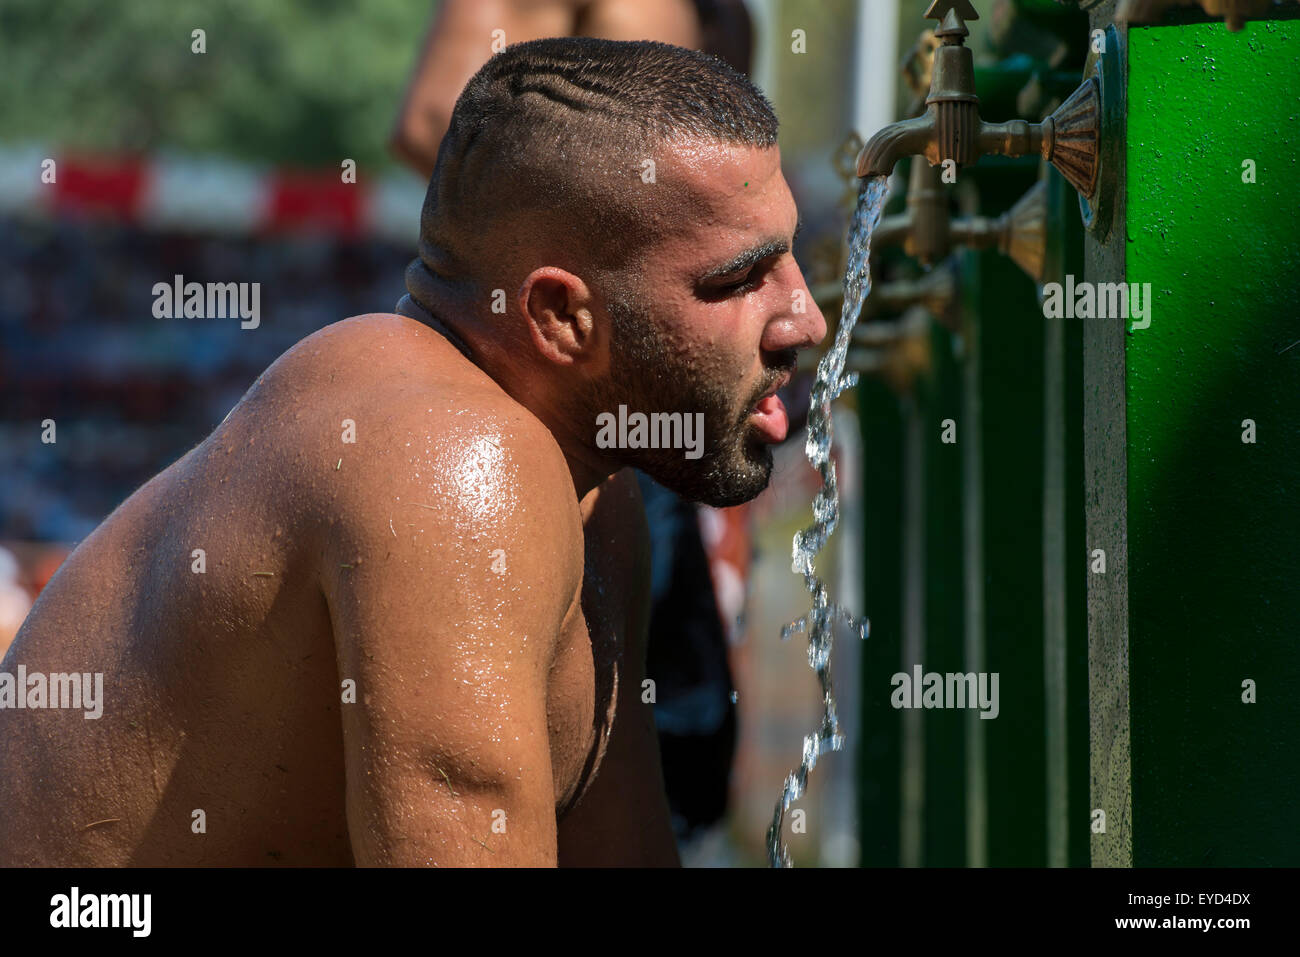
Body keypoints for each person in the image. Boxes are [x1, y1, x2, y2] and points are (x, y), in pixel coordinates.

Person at [0, 37, 824, 866]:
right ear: (562, 317)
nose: (806, 317)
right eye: (741, 279)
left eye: (789, 257)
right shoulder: (454, 467)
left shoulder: (595, 494)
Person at [388, 0, 757, 847]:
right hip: (553, 386)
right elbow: (435, 114)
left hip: (646, 404)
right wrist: (627, 244)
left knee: (678, 761)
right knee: (569, 757)